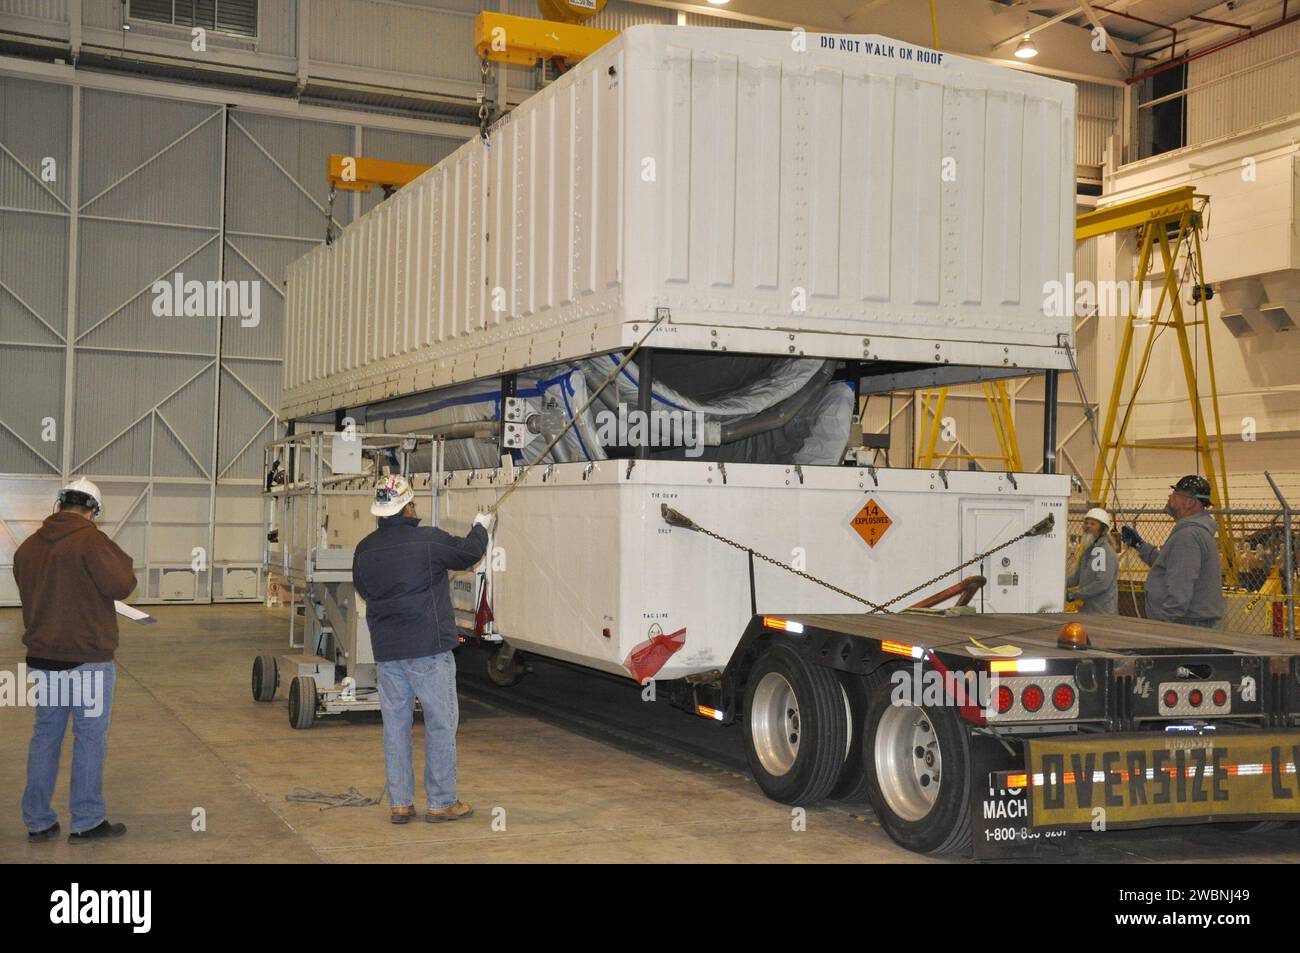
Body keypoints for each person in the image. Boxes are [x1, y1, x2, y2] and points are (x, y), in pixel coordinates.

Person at [352, 474, 491, 825]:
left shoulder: (364, 550)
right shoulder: (427, 541)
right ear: (408, 506)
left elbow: (365, 589)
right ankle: (442, 801)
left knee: (395, 727)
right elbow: (468, 553)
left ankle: (400, 803)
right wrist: (481, 526)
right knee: (440, 724)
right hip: (428, 650)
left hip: (387, 652)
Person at [12, 478, 137, 843]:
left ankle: (37, 820)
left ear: (59, 504)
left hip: (44, 658)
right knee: (89, 739)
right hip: (87, 659)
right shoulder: (92, 541)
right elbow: (122, 584)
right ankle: (86, 820)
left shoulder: (29, 548)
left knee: (45, 738)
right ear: (93, 511)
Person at [1120, 475, 1224, 628]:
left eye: (1175, 494)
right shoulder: (1192, 533)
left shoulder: (1188, 536)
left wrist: (1163, 624)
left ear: (1189, 502)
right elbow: (1169, 566)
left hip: (1185, 626)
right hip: (1189, 623)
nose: (1170, 497)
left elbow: (1180, 587)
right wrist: (1139, 545)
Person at [1067, 507, 1118, 614]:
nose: (1087, 526)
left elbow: (1102, 583)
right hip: (1088, 609)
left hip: (1101, 612)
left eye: (1092, 524)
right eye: (1086, 523)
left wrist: (1075, 595)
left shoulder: (1104, 551)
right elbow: (1077, 577)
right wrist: (1057, 584)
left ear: (1102, 529)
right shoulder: (1089, 550)